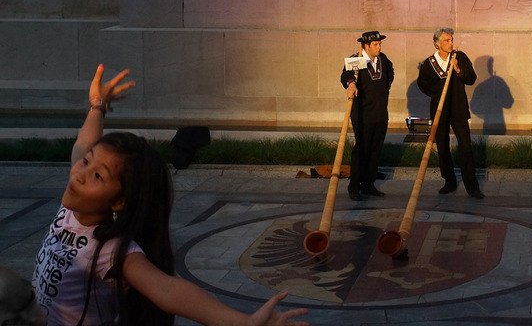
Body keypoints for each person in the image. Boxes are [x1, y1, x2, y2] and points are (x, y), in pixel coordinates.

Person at [32, 64, 309, 326]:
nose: (80, 173)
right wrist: (97, 106)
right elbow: (83, 145)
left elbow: (168, 290)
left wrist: (243, 321)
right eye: (86, 163)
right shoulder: (73, 204)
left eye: (97, 176)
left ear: (119, 201)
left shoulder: (114, 250)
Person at [416, 28, 483, 199]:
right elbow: (422, 84)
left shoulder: (459, 57)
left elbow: (472, 78)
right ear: (437, 43)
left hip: (458, 109)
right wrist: (436, 94)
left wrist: (459, 70)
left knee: (465, 146)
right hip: (439, 110)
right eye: (447, 40)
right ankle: (449, 181)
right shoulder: (429, 63)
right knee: (443, 147)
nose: (451, 43)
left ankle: (472, 187)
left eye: (452, 39)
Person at [340, 31, 394, 201]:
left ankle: (369, 185)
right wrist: (351, 84)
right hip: (362, 113)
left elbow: (390, 73)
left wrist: (385, 89)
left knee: (375, 150)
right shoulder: (356, 59)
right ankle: (354, 187)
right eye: (376, 45)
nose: (379, 47)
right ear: (366, 46)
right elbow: (345, 76)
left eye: (380, 44)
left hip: (380, 113)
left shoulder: (383, 59)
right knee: (361, 150)